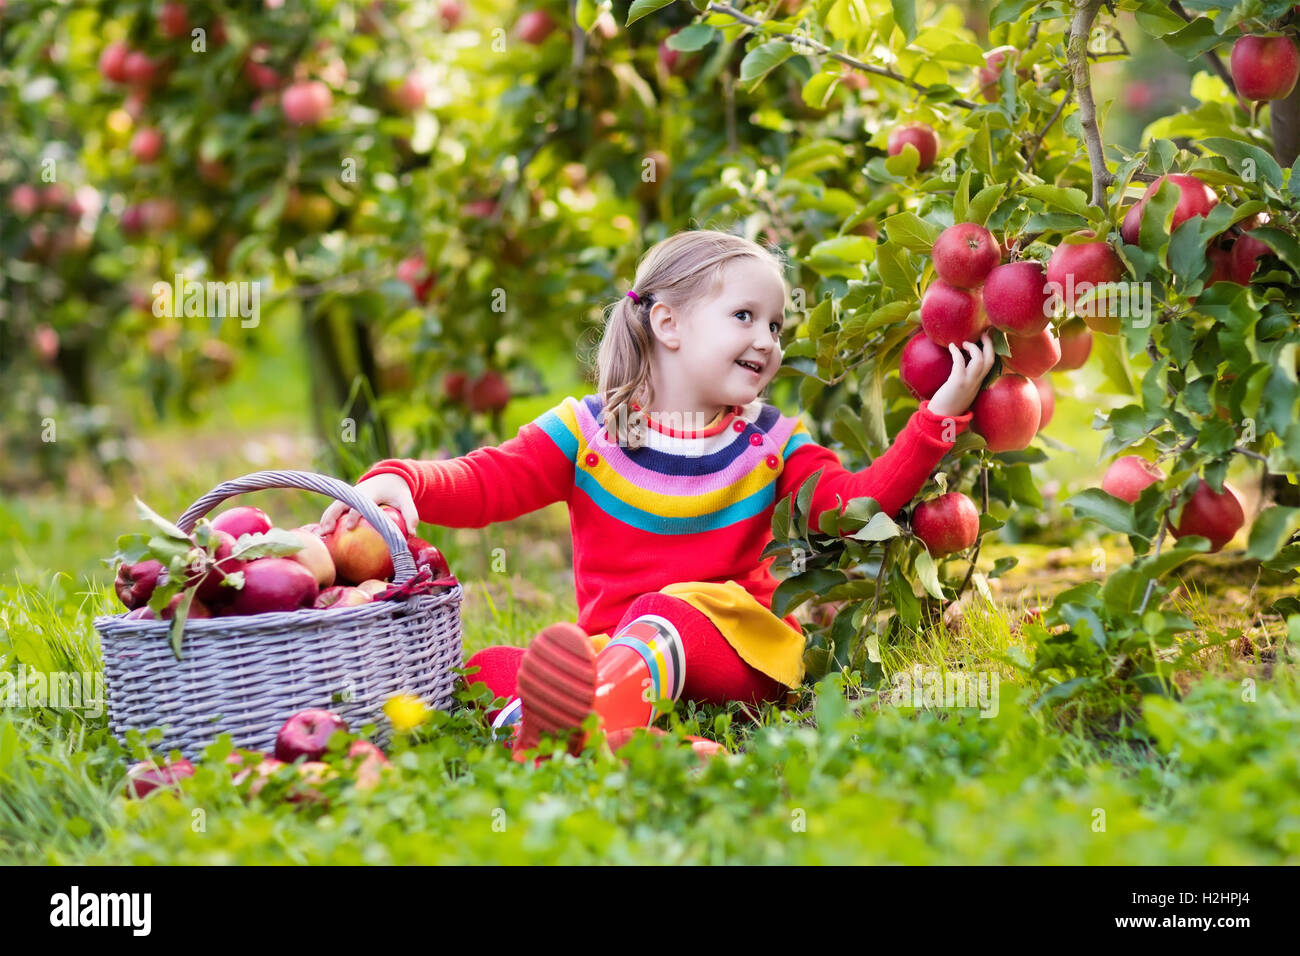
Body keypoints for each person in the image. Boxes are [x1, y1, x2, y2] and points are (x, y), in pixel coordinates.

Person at [319, 228, 995, 760]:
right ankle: (599, 732)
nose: (766, 339)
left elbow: (852, 506)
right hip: (617, 650)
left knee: (664, 612)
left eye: (776, 326)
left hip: (735, 652)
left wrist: (935, 420)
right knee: (485, 668)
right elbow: (483, 481)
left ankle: (571, 729)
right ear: (668, 325)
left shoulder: (772, 443)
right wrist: (398, 481)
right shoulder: (587, 434)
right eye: (745, 316)